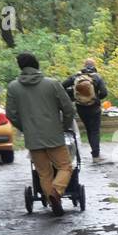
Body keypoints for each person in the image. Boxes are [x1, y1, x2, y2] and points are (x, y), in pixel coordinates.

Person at [6, 52, 76, 216]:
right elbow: (68, 109)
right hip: (54, 136)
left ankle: (51, 199)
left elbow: (10, 114)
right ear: (36, 64)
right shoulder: (52, 84)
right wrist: (63, 126)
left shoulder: (13, 87)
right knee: (65, 166)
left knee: (44, 173)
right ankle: (56, 193)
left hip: (33, 138)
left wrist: (25, 127)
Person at [63, 59, 108, 159]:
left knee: (89, 129)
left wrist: (73, 96)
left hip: (81, 108)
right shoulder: (97, 77)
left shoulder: (76, 76)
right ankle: (96, 155)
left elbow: (62, 86)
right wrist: (96, 98)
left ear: (84, 65)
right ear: (94, 65)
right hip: (94, 107)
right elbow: (104, 93)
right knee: (95, 130)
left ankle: (94, 152)